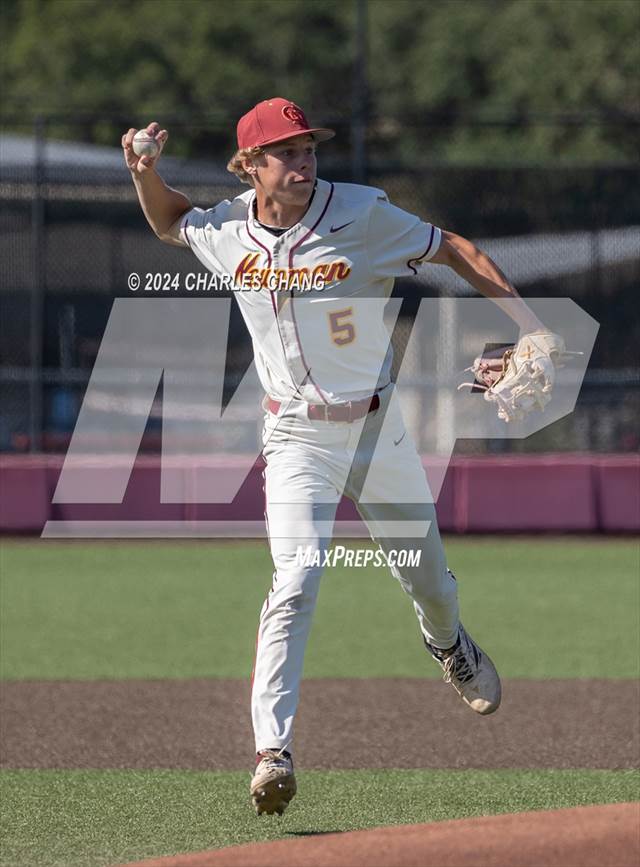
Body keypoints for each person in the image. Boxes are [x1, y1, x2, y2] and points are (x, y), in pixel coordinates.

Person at [122, 98, 546, 817]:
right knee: (297, 578)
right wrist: (143, 173)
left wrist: (534, 326)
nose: (305, 160)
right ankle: (271, 753)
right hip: (295, 439)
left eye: (309, 147)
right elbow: (169, 222)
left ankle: (447, 644)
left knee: (432, 584)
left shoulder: (361, 213)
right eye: (287, 151)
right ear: (252, 165)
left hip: (379, 431)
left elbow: (454, 248)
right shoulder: (228, 228)